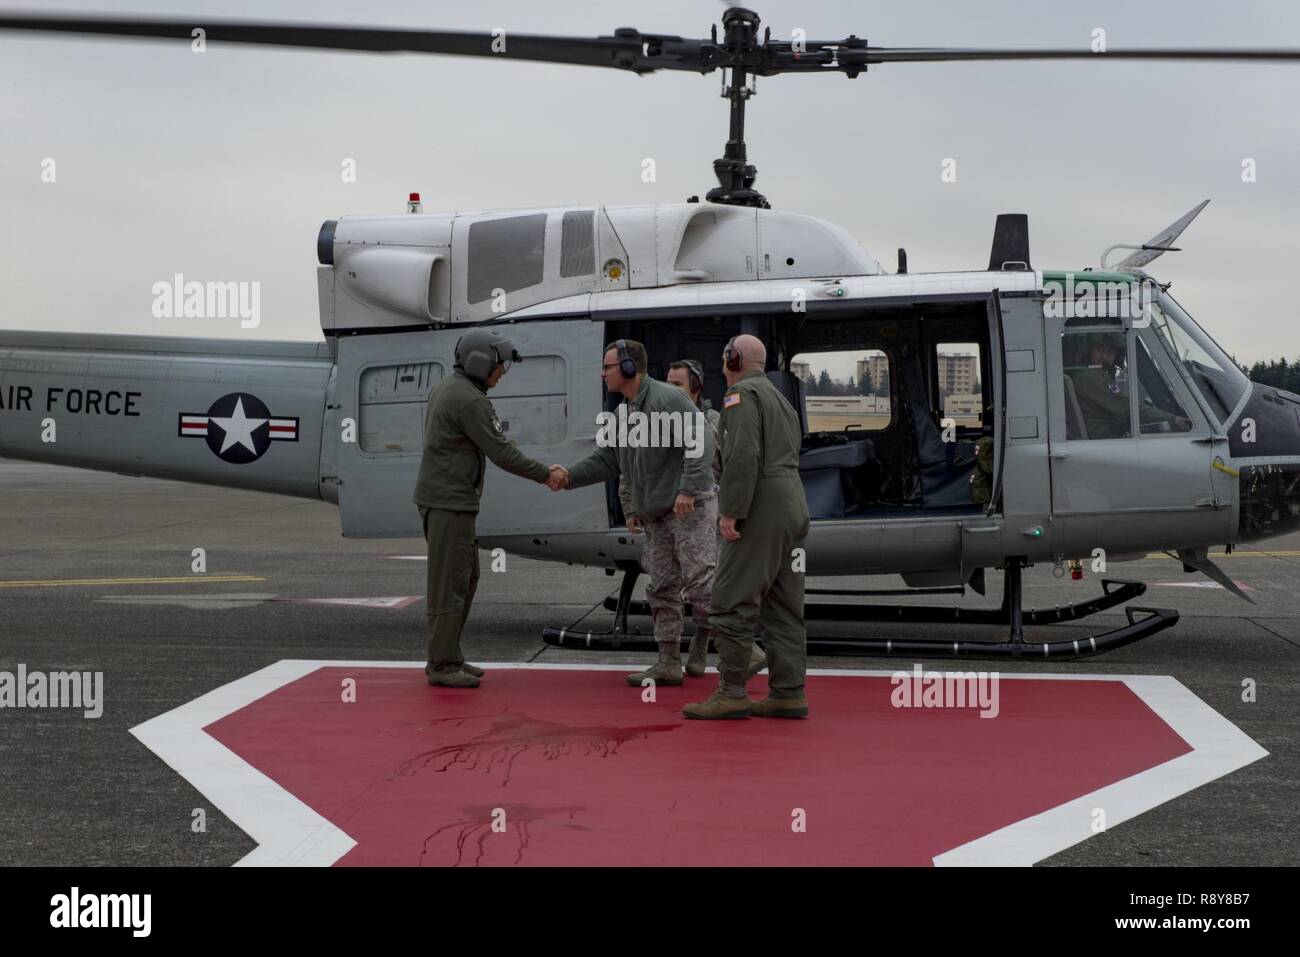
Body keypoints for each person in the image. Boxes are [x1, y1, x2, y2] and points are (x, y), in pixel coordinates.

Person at [550, 340, 715, 687]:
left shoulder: (666, 399)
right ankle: (668, 663)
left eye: (608, 367)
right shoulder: (624, 413)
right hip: (657, 516)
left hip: (685, 510)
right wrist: (569, 477)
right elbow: (609, 459)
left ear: (628, 368)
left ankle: (741, 649)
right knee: (662, 589)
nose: (602, 374)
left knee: (701, 587)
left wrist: (687, 489)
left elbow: (700, 440)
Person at [413, 329, 566, 688]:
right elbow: (501, 452)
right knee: (451, 584)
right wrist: (546, 474)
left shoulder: (451, 388)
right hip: (449, 503)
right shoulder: (470, 401)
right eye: (500, 367)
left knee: (465, 579)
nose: (501, 373)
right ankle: (441, 664)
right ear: (481, 363)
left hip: (449, 501)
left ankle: (450, 655)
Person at [684, 334, 811, 720]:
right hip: (792, 503)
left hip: (761, 504)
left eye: (726, 358)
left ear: (733, 359)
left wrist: (731, 511)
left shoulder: (740, 398)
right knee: (784, 606)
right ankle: (788, 692)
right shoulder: (780, 398)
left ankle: (732, 691)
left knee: (729, 602)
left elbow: (742, 456)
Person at [662, 357, 766, 679]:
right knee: (670, 585)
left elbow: (733, 465)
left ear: (695, 388)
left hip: (707, 513)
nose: (669, 390)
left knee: (704, 585)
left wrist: (732, 510)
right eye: (666, 383)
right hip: (668, 516)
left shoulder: (713, 421)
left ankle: (711, 642)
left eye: (677, 384)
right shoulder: (657, 423)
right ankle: (679, 652)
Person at [1070, 333, 1191, 439]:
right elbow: (1126, 407)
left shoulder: (1087, 375)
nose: (1105, 356)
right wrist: (1172, 418)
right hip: (1109, 437)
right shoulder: (1092, 377)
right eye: (1099, 349)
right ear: (1089, 350)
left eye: (1111, 351)